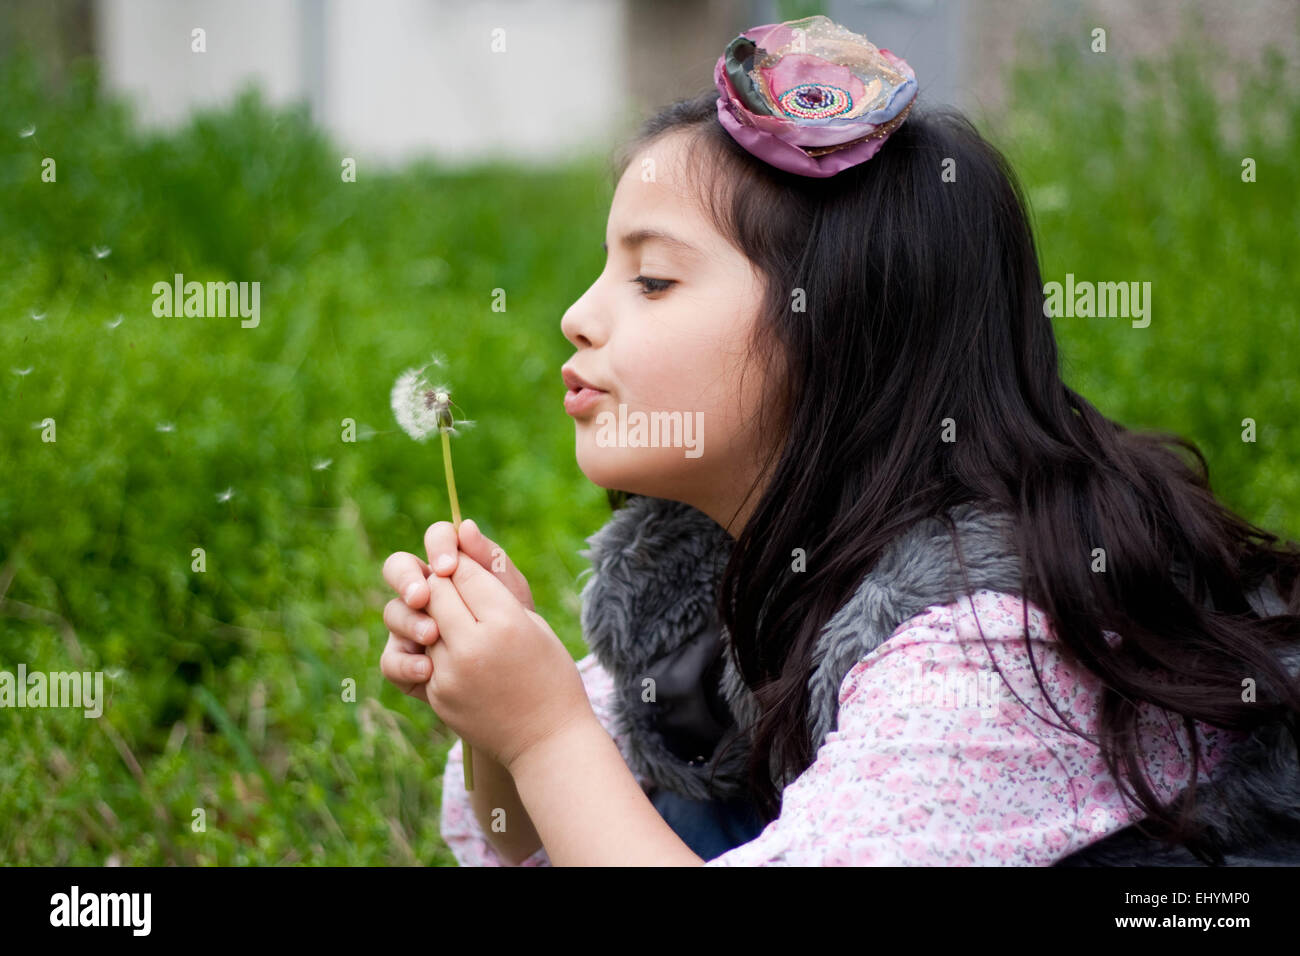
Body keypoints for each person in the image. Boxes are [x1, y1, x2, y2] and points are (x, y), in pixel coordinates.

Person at [380, 15, 1300, 866]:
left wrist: (547, 731)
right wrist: (499, 720)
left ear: (836, 328)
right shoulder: (723, 579)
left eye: (653, 280)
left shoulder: (988, 652)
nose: (578, 316)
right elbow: (525, 841)